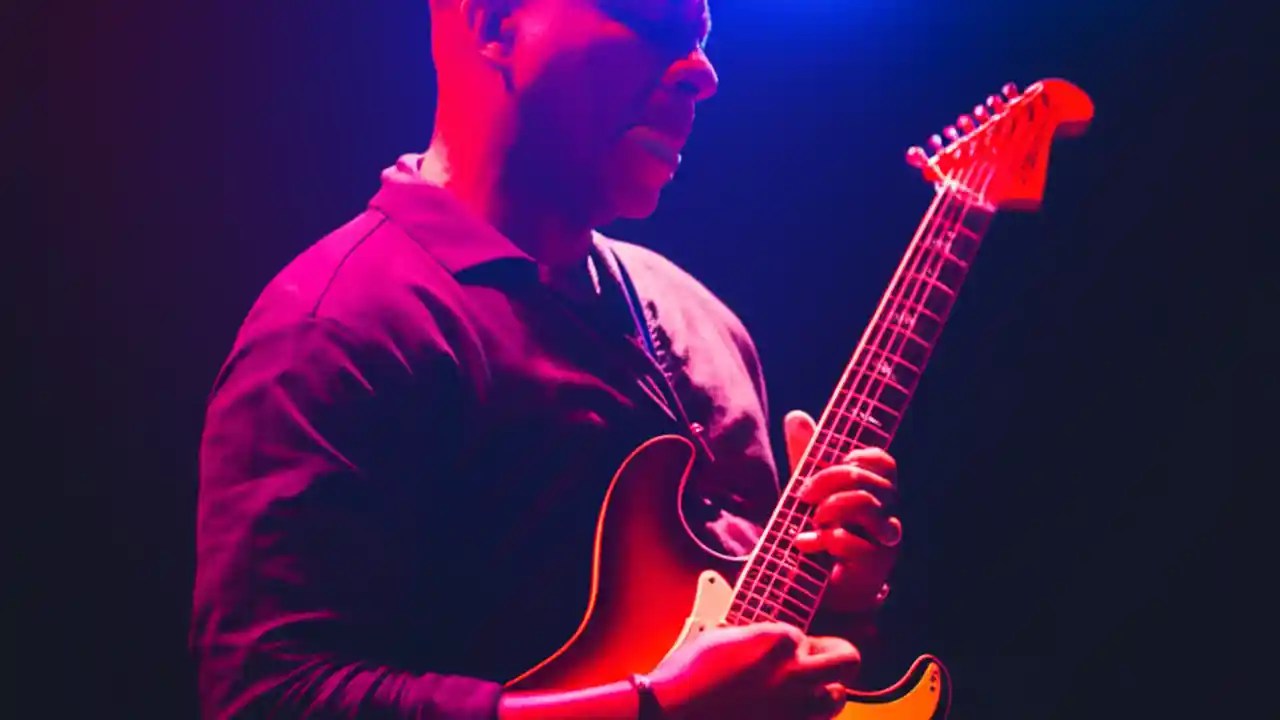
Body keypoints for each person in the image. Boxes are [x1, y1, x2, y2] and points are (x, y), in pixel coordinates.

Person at [191, 1, 904, 718]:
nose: (705, 74)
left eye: (701, 41)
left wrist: (839, 598)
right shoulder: (333, 326)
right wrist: (650, 711)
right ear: (495, 23)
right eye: (655, 22)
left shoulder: (706, 322)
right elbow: (268, 697)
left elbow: (756, 673)